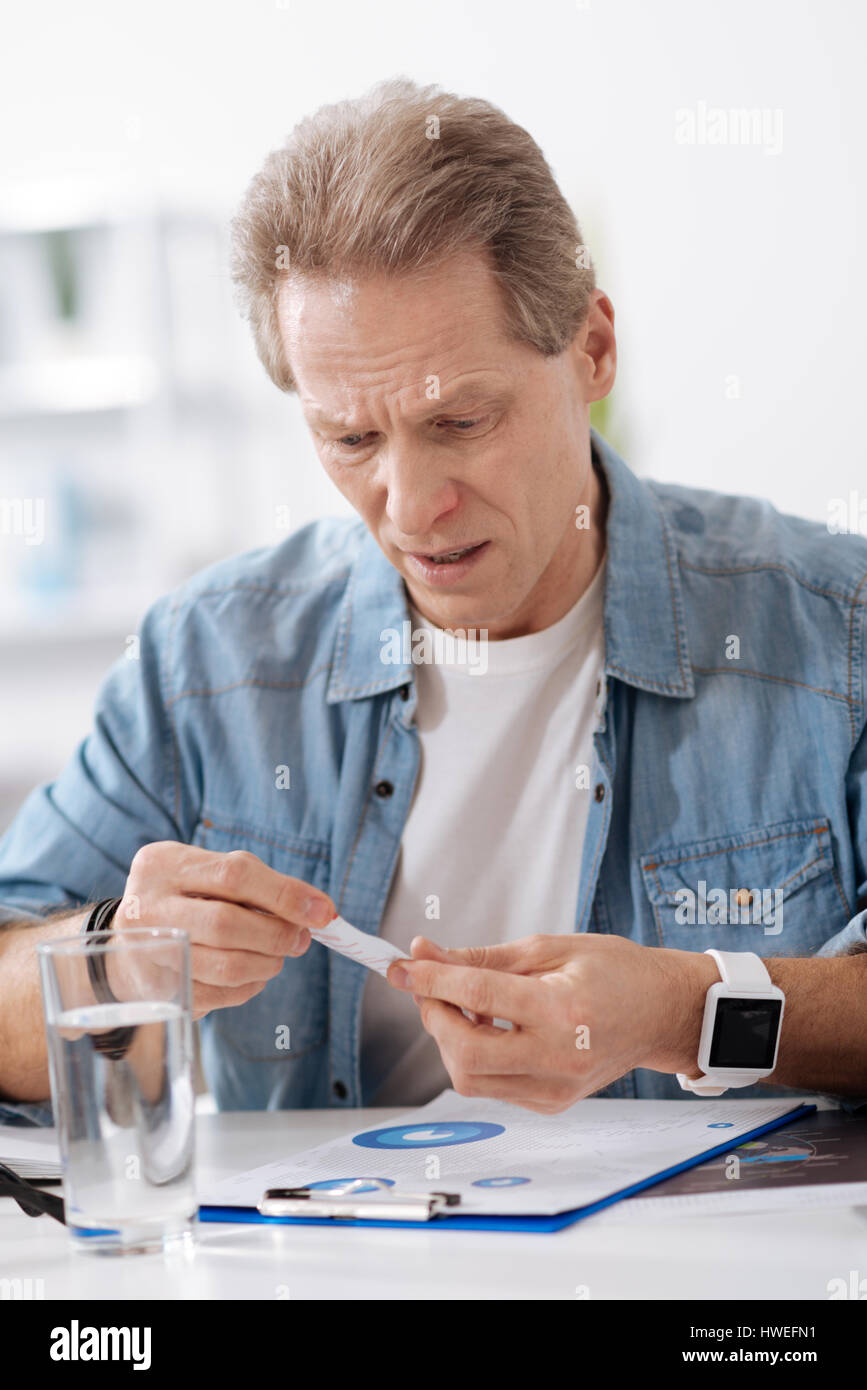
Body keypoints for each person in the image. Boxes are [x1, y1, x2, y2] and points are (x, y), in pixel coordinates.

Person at [0, 79, 865, 1127]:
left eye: (460, 420)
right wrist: (116, 957)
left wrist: (686, 1013)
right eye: (350, 439)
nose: (411, 506)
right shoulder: (207, 666)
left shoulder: (832, 631)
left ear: (592, 349)